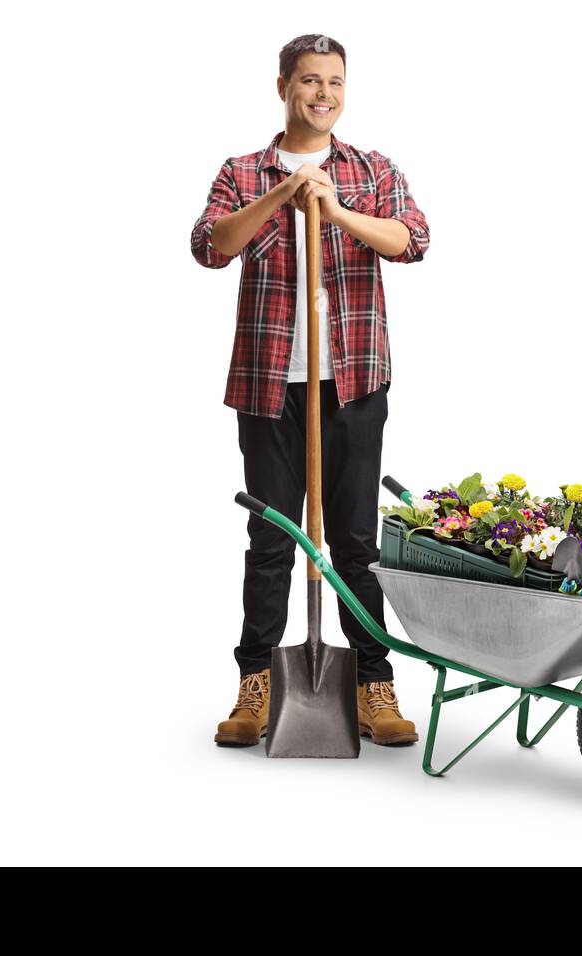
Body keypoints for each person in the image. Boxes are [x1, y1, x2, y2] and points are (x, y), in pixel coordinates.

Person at [189, 34, 430, 748]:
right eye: (309, 81)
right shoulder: (243, 171)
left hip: (353, 381)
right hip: (270, 386)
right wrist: (284, 195)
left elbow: (412, 241)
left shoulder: (373, 169)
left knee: (356, 541)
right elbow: (209, 247)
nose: (322, 94)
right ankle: (255, 685)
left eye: (334, 82)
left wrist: (335, 205)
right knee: (271, 541)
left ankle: (372, 683)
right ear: (283, 87)